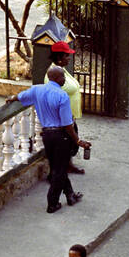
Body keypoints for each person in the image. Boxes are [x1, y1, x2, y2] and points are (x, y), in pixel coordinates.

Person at [13, 65, 89, 212]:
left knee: (56, 166)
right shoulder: (62, 96)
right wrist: (78, 140)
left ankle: (70, 195)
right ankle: (52, 203)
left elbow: (20, 96)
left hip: (47, 135)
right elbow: (68, 124)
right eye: (63, 77)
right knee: (59, 171)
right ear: (56, 78)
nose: (64, 79)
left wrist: (11, 98)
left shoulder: (37, 90)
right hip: (61, 137)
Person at [49, 41, 87, 174]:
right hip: (64, 118)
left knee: (70, 143)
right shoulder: (53, 74)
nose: (69, 58)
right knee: (66, 143)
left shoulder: (61, 70)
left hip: (70, 115)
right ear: (59, 57)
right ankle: (57, 172)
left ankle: (68, 165)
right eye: (67, 56)